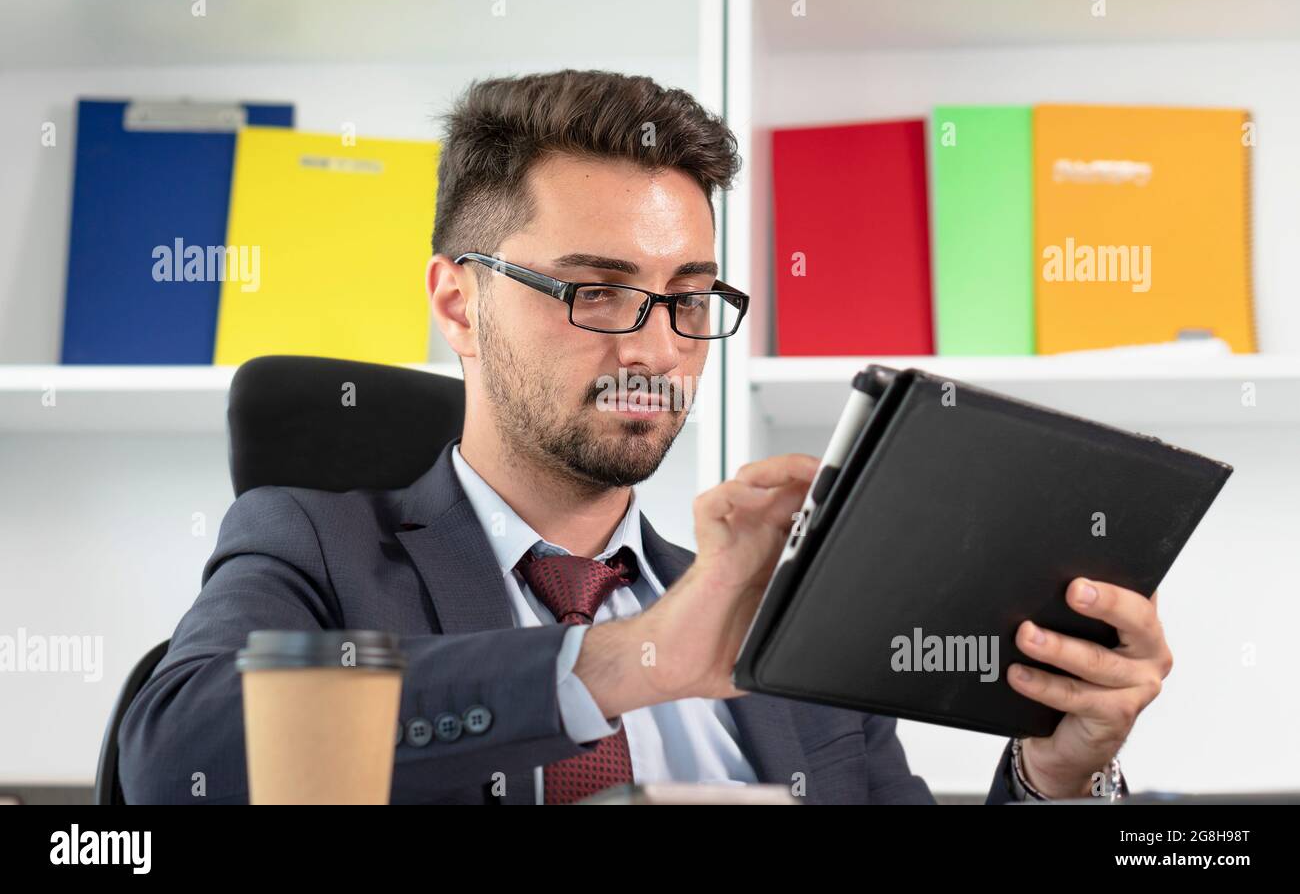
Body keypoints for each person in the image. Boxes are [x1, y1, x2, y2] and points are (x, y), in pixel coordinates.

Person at [119, 70, 1173, 804]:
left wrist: (1059, 772)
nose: (657, 347)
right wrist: (628, 660)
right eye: (594, 289)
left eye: (687, 295)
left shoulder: (779, 616)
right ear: (456, 302)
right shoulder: (320, 545)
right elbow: (183, 760)